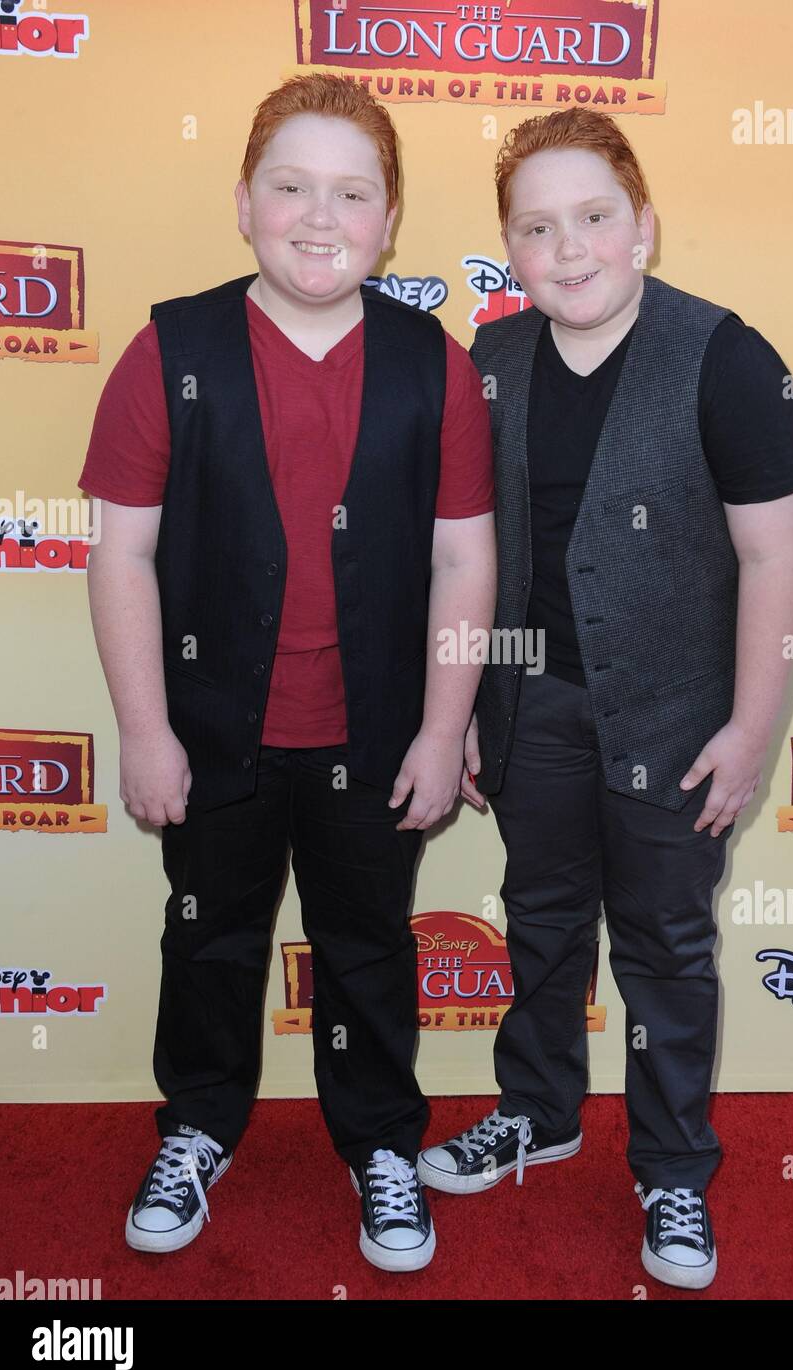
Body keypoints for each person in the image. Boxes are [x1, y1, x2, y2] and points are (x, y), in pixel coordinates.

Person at [78, 73, 495, 1273]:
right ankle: (198, 1126)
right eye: (292, 185)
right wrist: (147, 731)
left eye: (353, 191)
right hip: (214, 730)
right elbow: (123, 552)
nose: (322, 215)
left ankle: (377, 1145)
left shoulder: (437, 364)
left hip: (375, 732)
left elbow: (465, 557)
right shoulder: (172, 350)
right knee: (209, 938)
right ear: (244, 203)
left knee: (367, 947)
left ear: (391, 216)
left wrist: (440, 726)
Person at [418, 108, 793, 1290]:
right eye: (535, 227)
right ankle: (538, 1110)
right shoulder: (484, 363)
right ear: (509, 247)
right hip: (531, 712)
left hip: (676, 727)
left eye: (592, 217)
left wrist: (750, 728)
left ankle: (675, 1171)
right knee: (539, 927)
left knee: (665, 953)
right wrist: (470, 708)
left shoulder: (729, 356)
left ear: (643, 224)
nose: (568, 246)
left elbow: (774, 563)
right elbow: (464, 552)